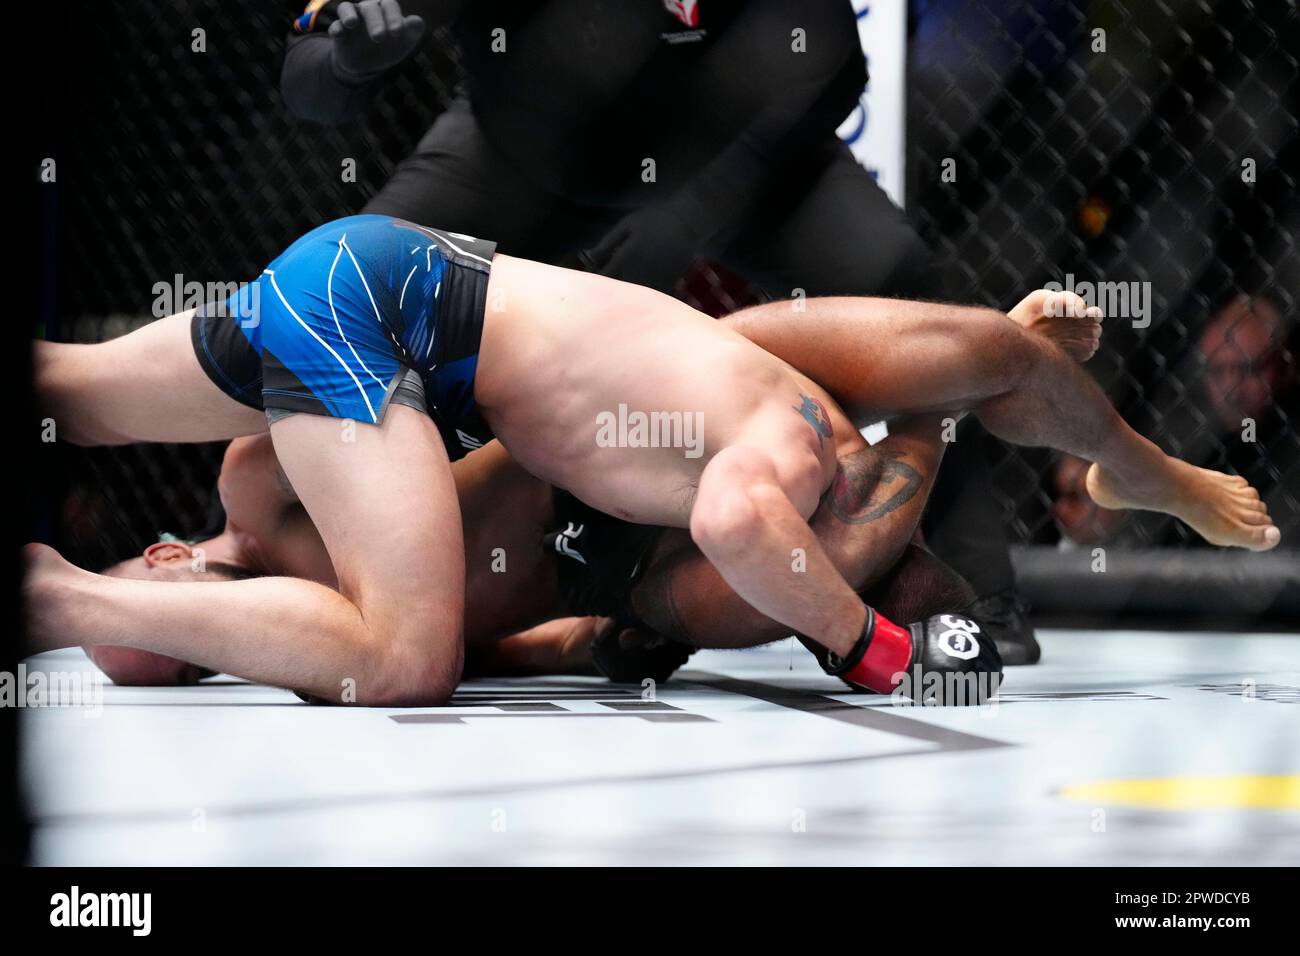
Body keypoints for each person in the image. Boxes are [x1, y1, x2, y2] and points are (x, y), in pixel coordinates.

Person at [28, 219, 1280, 706]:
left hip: (403, 314)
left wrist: (865, 641)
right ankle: (55, 595)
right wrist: (873, 645)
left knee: (76, 393)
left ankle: (1117, 449)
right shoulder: (790, 450)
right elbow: (749, 529)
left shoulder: (269, 495)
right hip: (403, 300)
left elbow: (700, 568)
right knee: (397, 656)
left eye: (156, 585)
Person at [280, 0, 1036, 656]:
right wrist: (347, 66)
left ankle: (982, 594)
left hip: (745, 157)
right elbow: (307, 78)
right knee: (346, 279)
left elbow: (832, 58)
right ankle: (259, 553)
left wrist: (691, 205)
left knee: (901, 281)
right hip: (531, 155)